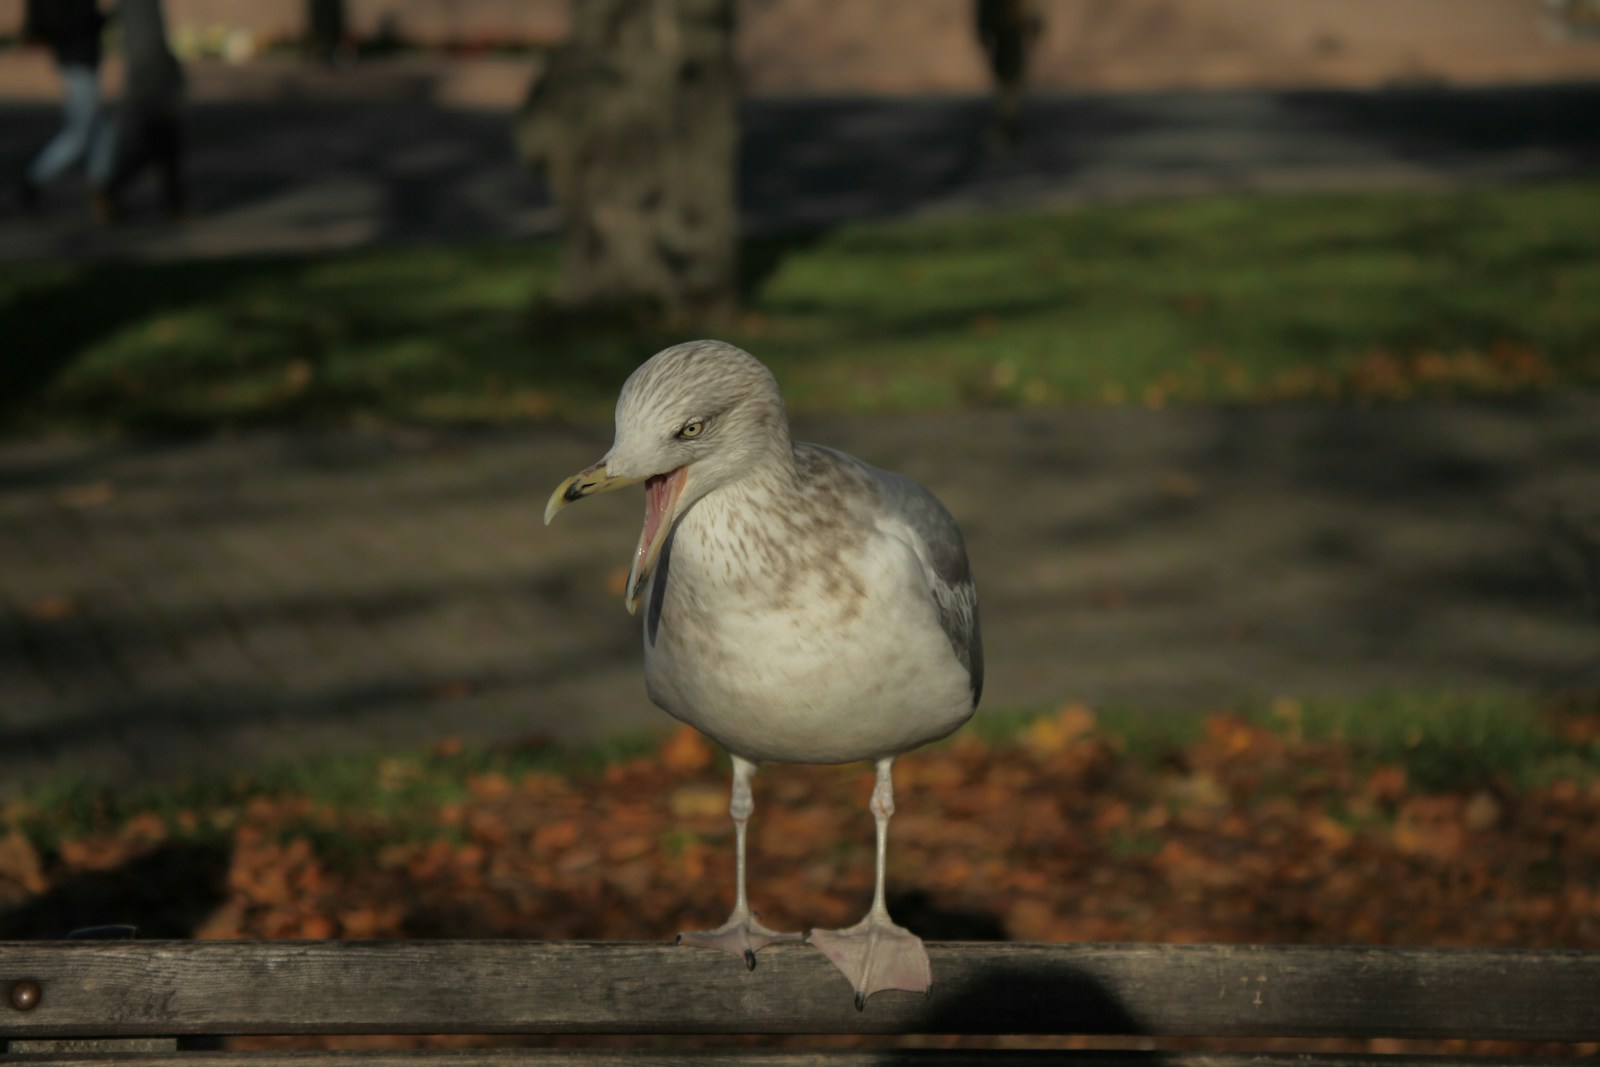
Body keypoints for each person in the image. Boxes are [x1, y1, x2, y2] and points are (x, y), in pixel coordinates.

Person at [92, 0, 186, 222]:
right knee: (156, 141)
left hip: (151, 76)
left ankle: (173, 203)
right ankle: (110, 189)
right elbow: (148, 40)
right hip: (150, 79)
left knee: (164, 142)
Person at [17, 0, 110, 209]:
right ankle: (35, 177)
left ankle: (102, 186)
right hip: (78, 55)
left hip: (76, 54)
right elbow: (75, 19)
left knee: (101, 128)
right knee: (80, 133)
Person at [975, 0, 1043, 149]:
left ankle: (1010, 123)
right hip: (1004, 31)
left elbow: (1032, 8)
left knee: (1010, 80)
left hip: (1012, 30)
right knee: (1007, 80)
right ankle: (1009, 123)